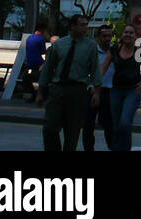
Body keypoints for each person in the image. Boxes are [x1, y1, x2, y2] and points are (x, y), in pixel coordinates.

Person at [37, 15, 103, 152]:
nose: (85, 28)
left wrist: (96, 92)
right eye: (82, 25)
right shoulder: (59, 44)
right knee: (49, 127)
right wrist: (41, 92)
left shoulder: (90, 46)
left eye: (86, 25)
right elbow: (48, 68)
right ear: (72, 26)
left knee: (72, 131)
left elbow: (95, 70)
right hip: (57, 88)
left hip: (77, 90)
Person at [107, 24, 141, 152]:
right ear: (122, 35)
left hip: (132, 90)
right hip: (116, 90)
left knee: (125, 123)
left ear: (136, 36)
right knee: (116, 125)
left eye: (131, 33)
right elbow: (103, 67)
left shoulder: (139, 51)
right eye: (126, 32)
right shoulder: (115, 49)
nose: (128, 35)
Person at [81, 24, 116, 152]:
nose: (107, 39)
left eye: (109, 36)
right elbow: (85, 71)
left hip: (109, 92)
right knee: (88, 125)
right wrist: (91, 87)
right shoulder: (92, 52)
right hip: (93, 90)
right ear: (98, 37)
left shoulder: (116, 52)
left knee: (109, 126)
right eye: (104, 36)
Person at [22, 20, 49, 100]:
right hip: (38, 62)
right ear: (42, 30)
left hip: (29, 62)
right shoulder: (41, 39)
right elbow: (43, 51)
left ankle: (34, 93)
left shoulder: (29, 38)